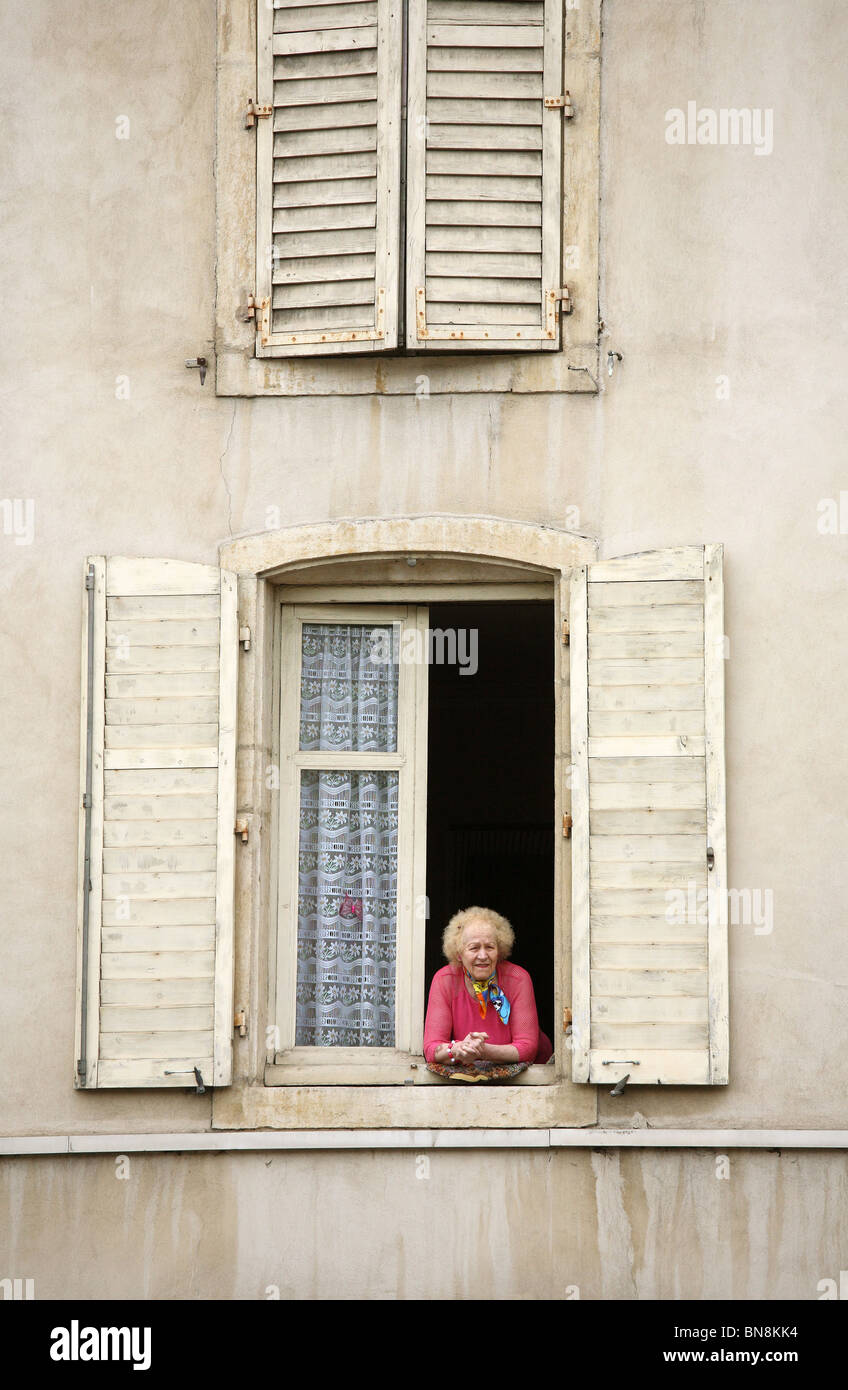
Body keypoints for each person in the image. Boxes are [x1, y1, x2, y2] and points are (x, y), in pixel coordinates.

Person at [423, 906, 553, 1067]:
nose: (483, 956)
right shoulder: (444, 980)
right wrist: (456, 1049)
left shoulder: (518, 979)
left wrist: (482, 1051)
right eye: (474, 948)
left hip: (534, 1074)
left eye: (490, 947)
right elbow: (431, 1049)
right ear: (459, 953)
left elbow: (528, 1048)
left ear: (499, 951)